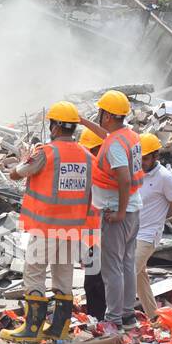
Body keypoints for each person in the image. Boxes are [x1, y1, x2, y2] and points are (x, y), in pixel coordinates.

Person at [4, 102, 93, 344]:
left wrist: (14, 167)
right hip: (72, 228)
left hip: (46, 227)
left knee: (34, 272)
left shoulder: (46, 152)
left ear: (54, 126)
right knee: (63, 275)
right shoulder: (86, 155)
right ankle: (60, 328)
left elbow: (20, 172)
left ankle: (32, 328)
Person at [80, 90, 143, 333]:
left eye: (99, 111)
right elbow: (107, 136)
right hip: (133, 210)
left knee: (112, 267)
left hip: (118, 213)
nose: (98, 114)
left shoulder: (116, 145)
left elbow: (124, 179)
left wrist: (118, 212)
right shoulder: (127, 136)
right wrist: (83, 122)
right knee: (126, 263)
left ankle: (114, 318)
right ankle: (127, 314)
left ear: (107, 115)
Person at [134, 133, 172, 320]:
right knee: (140, 277)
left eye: (146, 158)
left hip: (149, 235)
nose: (142, 162)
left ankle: (117, 319)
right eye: (139, 158)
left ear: (156, 156)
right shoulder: (136, 172)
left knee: (126, 274)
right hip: (131, 233)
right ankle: (154, 317)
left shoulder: (165, 177)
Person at [77, 127, 106, 322]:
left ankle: (100, 317)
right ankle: (97, 316)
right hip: (89, 233)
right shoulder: (91, 169)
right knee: (92, 279)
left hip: (100, 232)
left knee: (96, 280)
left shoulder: (102, 171)